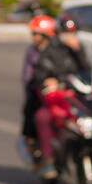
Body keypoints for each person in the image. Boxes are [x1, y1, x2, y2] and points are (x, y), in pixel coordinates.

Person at [31, 16, 92, 180]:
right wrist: (52, 82)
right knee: (42, 118)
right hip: (56, 98)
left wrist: (78, 52)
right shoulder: (50, 51)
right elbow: (39, 75)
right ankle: (49, 160)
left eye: (73, 33)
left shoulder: (78, 49)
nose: (70, 36)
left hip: (77, 96)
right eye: (66, 33)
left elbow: (87, 72)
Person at [20, 15, 56, 143]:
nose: (33, 37)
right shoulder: (32, 51)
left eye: (36, 33)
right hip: (38, 90)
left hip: (57, 90)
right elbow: (27, 75)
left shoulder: (57, 50)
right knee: (32, 112)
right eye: (33, 33)